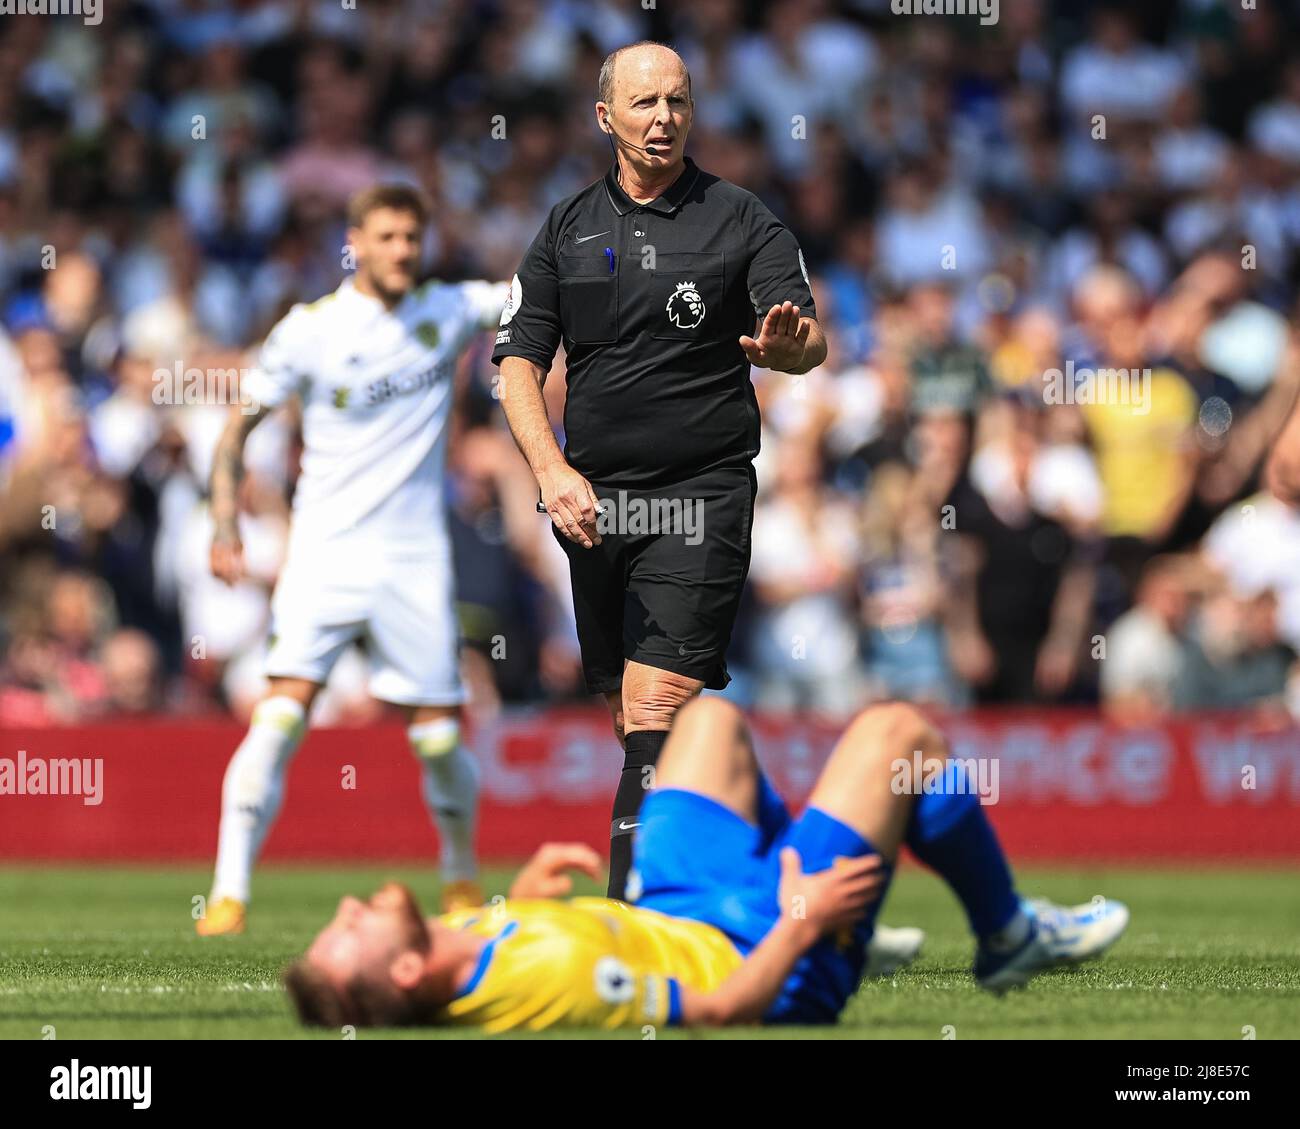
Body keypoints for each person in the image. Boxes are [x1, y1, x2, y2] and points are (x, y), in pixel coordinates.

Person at [493, 41, 827, 898]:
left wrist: (789, 351)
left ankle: (632, 925)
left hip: (701, 496)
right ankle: (785, 870)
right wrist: (551, 471)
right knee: (639, 728)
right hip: (594, 504)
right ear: (605, 116)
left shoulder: (741, 219)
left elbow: (807, 338)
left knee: (654, 705)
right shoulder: (566, 228)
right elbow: (518, 363)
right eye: (644, 103)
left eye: (677, 101)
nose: (664, 118)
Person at [284, 698, 1130, 1030]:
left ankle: (845, 903)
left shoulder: (456, 943)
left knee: (708, 722)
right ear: (405, 970)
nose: (348, 907)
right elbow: (722, 1011)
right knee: (899, 737)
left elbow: (503, 940)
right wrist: (800, 923)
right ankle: (1006, 935)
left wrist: (529, 898)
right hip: (756, 949)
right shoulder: (555, 982)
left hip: (671, 913)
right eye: (347, 931)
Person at [197, 184, 507, 936]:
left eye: (411, 238)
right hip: (325, 552)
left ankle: (461, 879)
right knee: (278, 718)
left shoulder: (452, 308)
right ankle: (228, 895)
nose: (401, 250)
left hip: (413, 558)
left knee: (439, 737)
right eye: (386, 237)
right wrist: (224, 520)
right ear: (355, 243)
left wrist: (621, 246)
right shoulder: (311, 331)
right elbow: (239, 428)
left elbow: (546, 285)